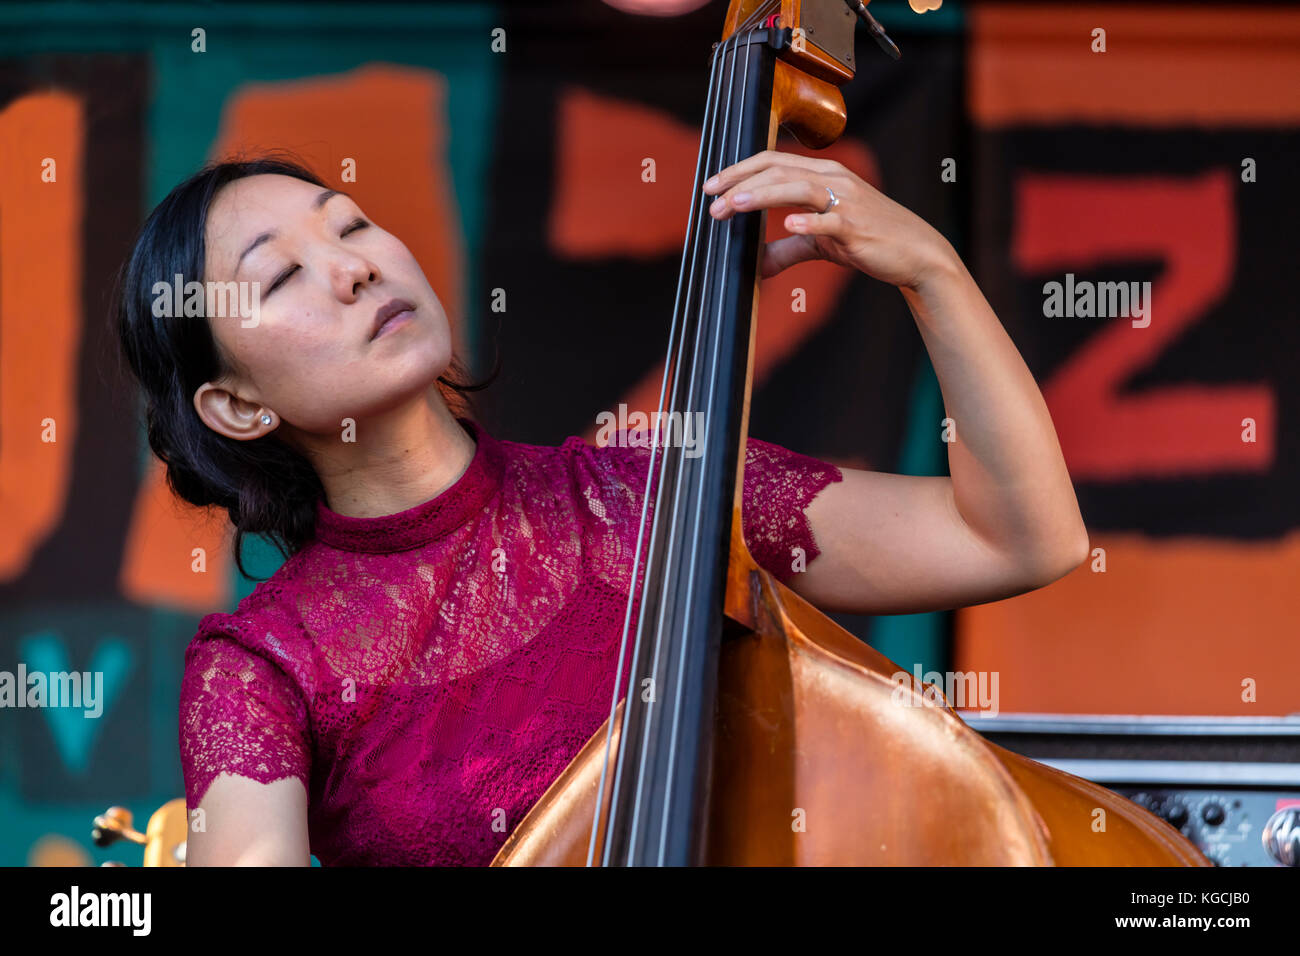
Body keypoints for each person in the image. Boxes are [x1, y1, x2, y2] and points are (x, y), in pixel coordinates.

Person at [112, 149, 1087, 866]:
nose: (356, 264)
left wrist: (931, 270)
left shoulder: (652, 497)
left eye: (353, 224)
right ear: (237, 404)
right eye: (281, 274)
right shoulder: (261, 667)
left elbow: (1016, 535)